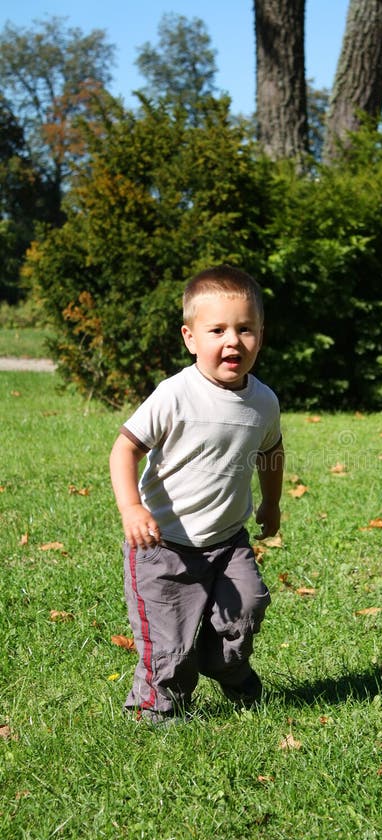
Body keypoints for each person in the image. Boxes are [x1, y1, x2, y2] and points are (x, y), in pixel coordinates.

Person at [109, 265, 284, 723]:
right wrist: (131, 506)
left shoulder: (263, 401)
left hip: (228, 543)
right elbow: (125, 447)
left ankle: (227, 667)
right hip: (163, 546)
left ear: (260, 336)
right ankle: (157, 709)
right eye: (217, 330)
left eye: (245, 329)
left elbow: (272, 449)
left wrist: (272, 502)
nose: (233, 341)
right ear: (190, 338)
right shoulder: (176, 394)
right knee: (169, 645)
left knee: (247, 606)